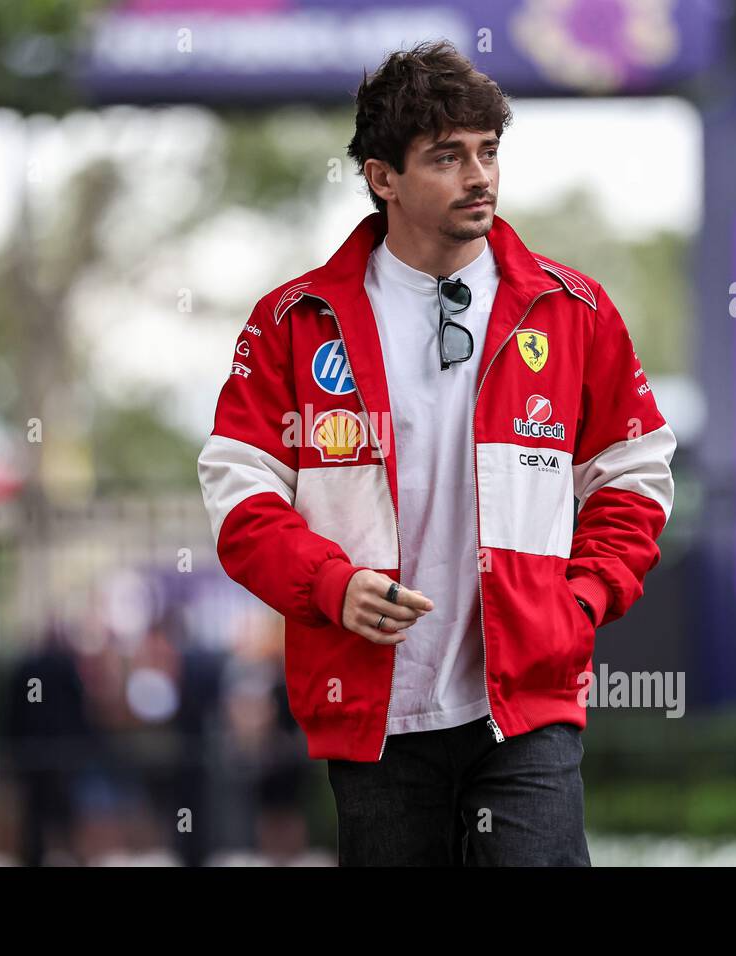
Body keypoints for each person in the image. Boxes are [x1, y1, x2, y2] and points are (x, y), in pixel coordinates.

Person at [197, 41, 676, 866]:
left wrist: (583, 599)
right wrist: (331, 585)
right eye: (446, 156)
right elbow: (239, 496)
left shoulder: (575, 310)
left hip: (528, 703)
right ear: (382, 177)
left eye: (488, 151)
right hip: (373, 714)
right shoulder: (291, 320)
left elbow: (634, 474)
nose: (478, 175)